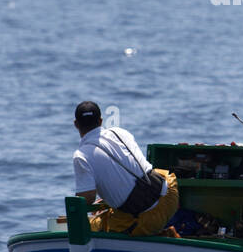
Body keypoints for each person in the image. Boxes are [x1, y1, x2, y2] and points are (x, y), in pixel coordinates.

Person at [71, 101, 179, 236]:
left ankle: (163, 234)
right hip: (170, 193)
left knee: (96, 226)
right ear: (100, 121)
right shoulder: (120, 132)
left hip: (149, 215)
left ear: (76, 124)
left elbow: (87, 198)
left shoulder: (81, 156)